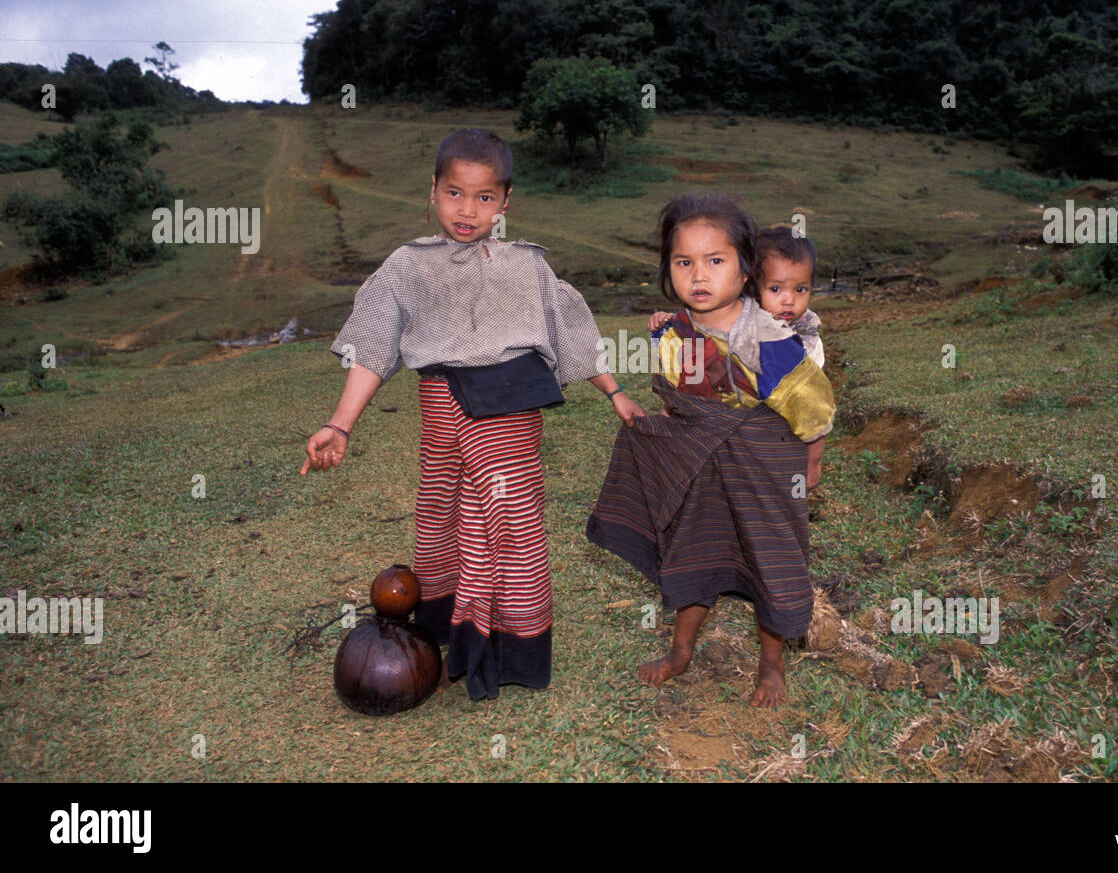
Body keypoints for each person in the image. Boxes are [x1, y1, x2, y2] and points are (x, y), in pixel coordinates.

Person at [300, 128, 645, 700]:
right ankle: (441, 627)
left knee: (511, 524)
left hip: (511, 409)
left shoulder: (527, 265)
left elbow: (570, 331)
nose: (468, 209)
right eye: (455, 193)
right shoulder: (407, 267)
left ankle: (510, 647)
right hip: (441, 406)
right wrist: (340, 424)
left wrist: (614, 392)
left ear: (505, 202)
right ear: (433, 191)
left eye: (485, 197)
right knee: (441, 511)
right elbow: (375, 346)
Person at [587, 193, 835, 707]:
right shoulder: (678, 327)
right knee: (693, 552)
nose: (698, 275)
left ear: (746, 272)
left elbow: (814, 409)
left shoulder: (767, 340)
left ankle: (771, 664)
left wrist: (811, 463)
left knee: (771, 561)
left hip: (764, 474)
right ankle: (681, 650)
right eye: (684, 263)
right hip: (700, 474)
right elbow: (680, 398)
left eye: (715, 261)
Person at [648, 223, 827, 483]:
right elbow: (702, 326)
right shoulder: (737, 317)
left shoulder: (805, 338)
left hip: (774, 433)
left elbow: (813, 407)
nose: (789, 300)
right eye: (776, 289)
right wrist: (669, 322)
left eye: (801, 289)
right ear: (752, 286)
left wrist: (812, 464)